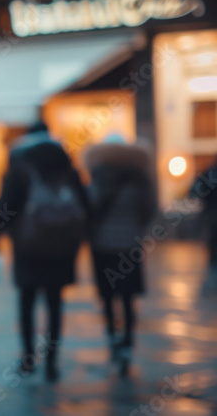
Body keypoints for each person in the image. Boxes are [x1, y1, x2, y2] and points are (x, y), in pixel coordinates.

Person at [0, 122, 88, 382]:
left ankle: (28, 358)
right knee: (55, 304)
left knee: (27, 302)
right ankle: (52, 363)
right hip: (61, 247)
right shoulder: (67, 167)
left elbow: (3, 209)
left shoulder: (20, 168)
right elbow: (84, 205)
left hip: (28, 246)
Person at [84, 136, 155, 377]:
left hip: (103, 244)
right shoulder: (140, 181)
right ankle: (127, 342)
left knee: (107, 295)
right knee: (128, 296)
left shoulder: (99, 179)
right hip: (130, 244)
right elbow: (148, 211)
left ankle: (112, 337)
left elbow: (89, 209)